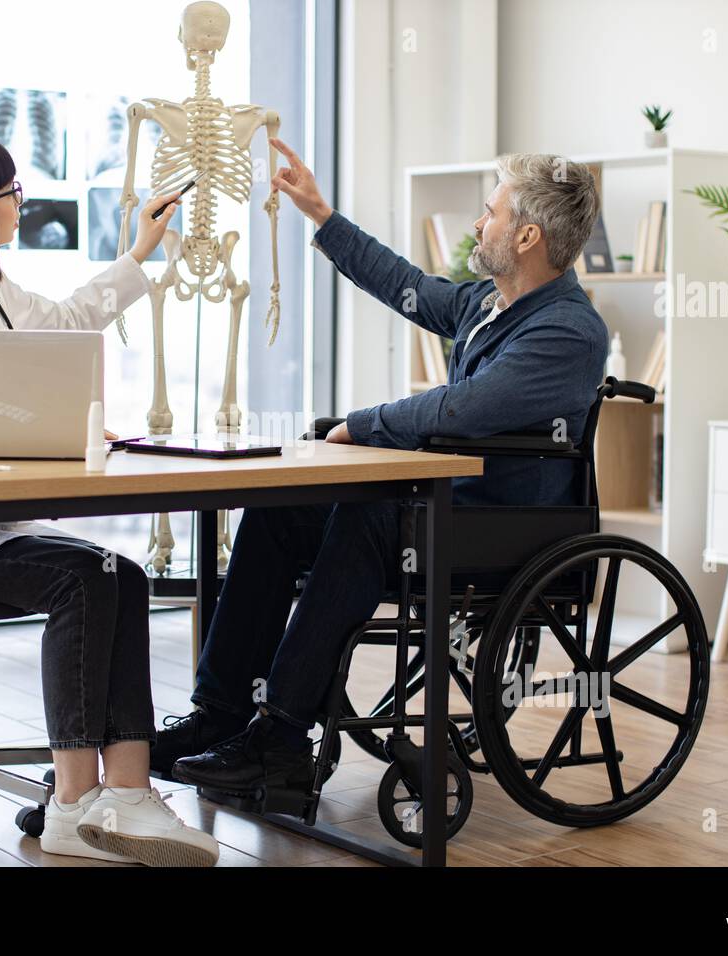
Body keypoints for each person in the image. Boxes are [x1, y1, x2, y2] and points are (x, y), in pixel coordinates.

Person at [154, 139, 610, 799]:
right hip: (448, 509)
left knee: (366, 517)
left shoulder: (568, 331)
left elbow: (464, 408)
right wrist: (321, 215)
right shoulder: (490, 305)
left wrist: (360, 424)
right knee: (281, 512)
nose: (478, 224)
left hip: (501, 528)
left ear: (527, 236)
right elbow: (406, 286)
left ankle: (281, 740)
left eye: (490, 213)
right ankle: (220, 714)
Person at [0, 131, 217, 867]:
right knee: (84, 578)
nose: (20, 206)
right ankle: (71, 806)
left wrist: (139, 253)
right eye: (11, 194)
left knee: (125, 574)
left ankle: (129, 794)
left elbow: (65, 324)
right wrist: (38, 425)